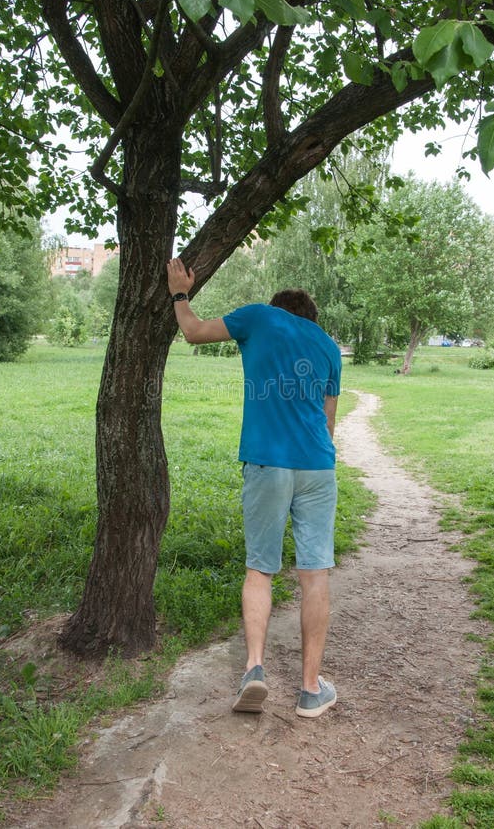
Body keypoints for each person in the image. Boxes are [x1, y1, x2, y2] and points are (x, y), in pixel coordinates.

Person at [167, 258, 341, 718]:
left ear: (277, 308)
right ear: (311, 317)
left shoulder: (259, 318)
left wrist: (179, 294)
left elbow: (194, 332)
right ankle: (308, 690)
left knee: (260, 570)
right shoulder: (326, 346)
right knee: (315, 573)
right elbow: (328, 421)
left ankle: (255, 669)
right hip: (317, 467)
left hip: (267, 462)